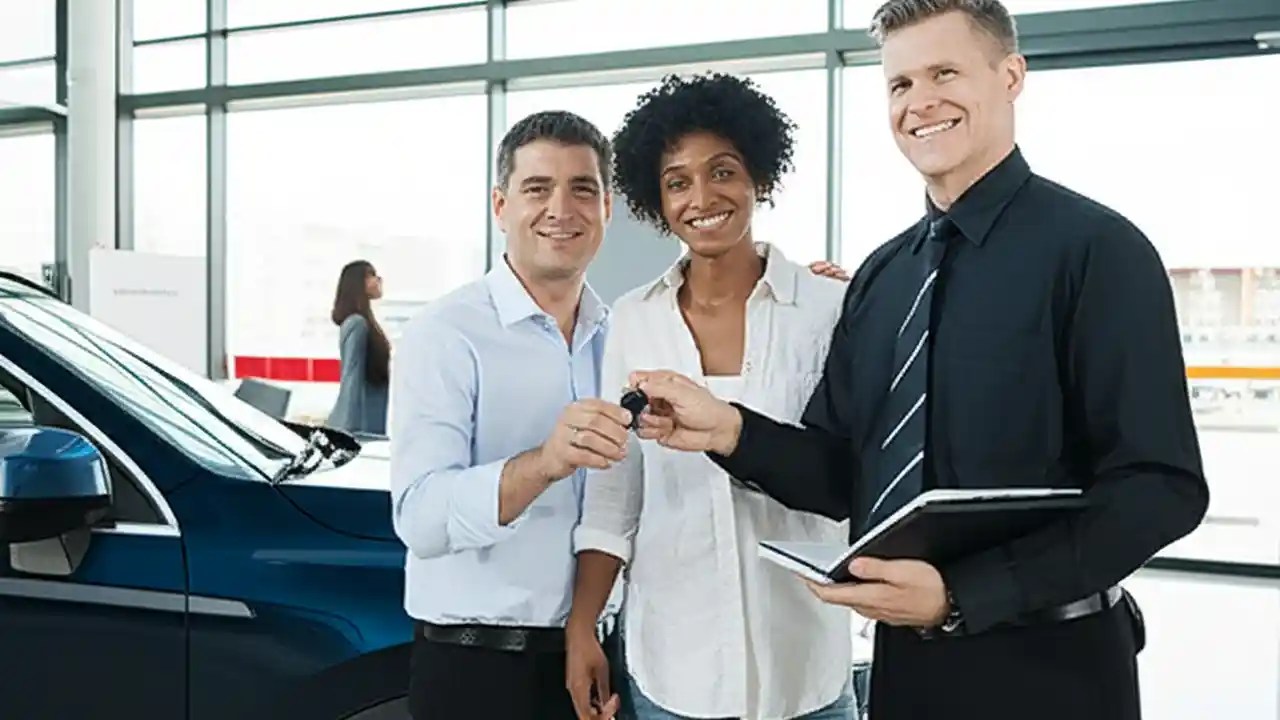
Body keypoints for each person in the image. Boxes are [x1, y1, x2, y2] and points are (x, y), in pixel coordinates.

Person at [626, 2, 1209, 719]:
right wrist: (729, 431)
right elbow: (845, 476)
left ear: (1011, 76)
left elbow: (1161, 488)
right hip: (909, 674)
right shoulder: (882, 278)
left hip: (1055, 672)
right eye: (900, 84)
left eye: (944, 73)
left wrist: (964, 595)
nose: (919, 103)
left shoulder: (1098, 251)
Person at [565, 73, 857, 720]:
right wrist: (582, 628)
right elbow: (615, 500)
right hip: (674, 668)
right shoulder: (634, 323)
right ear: (655, 197)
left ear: (759, 175)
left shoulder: (831, 309)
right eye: (677, 181)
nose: (702, 197)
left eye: (722, 171)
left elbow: (853, 472)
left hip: (807, 665)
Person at [388, 110, 635, 720]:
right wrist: (544, 464)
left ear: (608, 209)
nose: (562, 208)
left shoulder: (626, 336)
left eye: (583, 189)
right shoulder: (445, 334)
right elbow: (420, 517)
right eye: (537, 188)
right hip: (478, 673)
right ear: (500, 206)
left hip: (599, 656)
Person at [327, 259, 391, 435]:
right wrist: (347, 432)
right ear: (357, 284)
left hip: (369, 424)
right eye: (371, 275)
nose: (378, 279)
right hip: (359, 427)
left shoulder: (366, 323)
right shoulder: (357, 324)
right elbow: (351, 377)